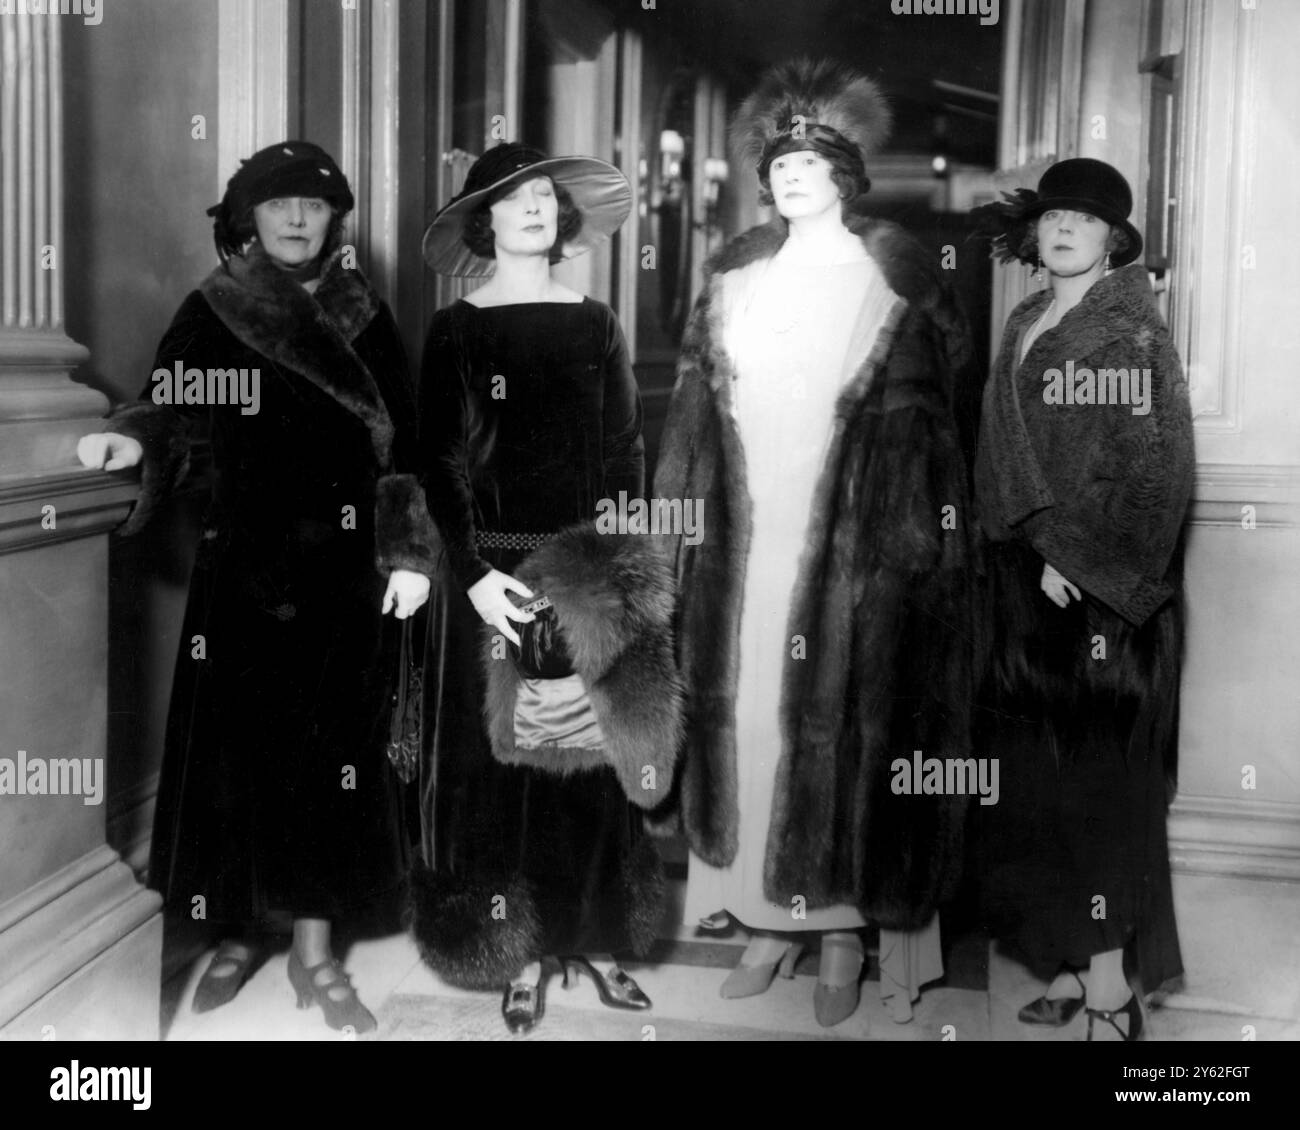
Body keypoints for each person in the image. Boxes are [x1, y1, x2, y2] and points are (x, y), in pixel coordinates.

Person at [77, 141, 438, 1033]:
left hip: (348, 580)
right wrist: (136, 443)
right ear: (247, 217)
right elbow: (172, 409)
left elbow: (407, 452)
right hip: (245, 568)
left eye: (312, 205)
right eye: (276, 204)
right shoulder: (219, 307)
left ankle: (315, 952)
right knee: (234, 765)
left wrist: (408, 556)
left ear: (333, 219)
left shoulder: (365, 311)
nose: (295, 218)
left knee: (334, 766)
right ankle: (233, 931)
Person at [654, 59, 976, 1028]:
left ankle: (837, 927)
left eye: (813, 158)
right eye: (780, 159)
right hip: (744, 547)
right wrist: (671, 534)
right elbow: (688, 424)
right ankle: (764, 919)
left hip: (853, 547)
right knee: (751, 724)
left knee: (843, 735)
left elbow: (933, 436)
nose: (793, 172)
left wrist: (911, 553)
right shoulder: (730, 279)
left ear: (846, 173)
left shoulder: (896, 278)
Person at [408, 142, 673, 1035]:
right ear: (486, 222)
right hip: (492, 580)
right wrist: (476, 577)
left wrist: (609, 577)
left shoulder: (596, 321)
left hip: (586, 569)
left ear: (562, 221)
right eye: (512, 198)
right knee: (503, 773)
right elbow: (435, 467)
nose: (531, 209)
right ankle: (515, 957)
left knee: (589, 765)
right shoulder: (456, 329)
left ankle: (592, 945)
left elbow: (625, 455)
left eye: (544, 199)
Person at [970, 157, 1194, 1041]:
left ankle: (1112, 989)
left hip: (1093, 602)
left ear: (1115, 240)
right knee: (1034, 786)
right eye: (1054, 215)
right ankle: (1065, 957)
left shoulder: (1132, 333)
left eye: (1086, 220)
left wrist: (1080, 560)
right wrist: (1020, 548)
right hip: (1022, 585)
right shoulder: (1027, 316)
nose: (1064, 229)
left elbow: (1157, 476)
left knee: (1101, 788)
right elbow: (996, 448)